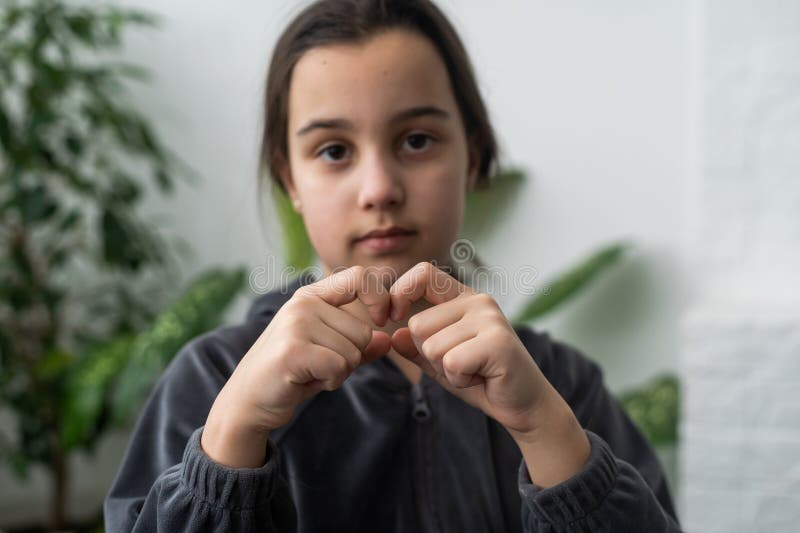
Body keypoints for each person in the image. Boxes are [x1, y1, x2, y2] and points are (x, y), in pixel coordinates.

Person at [104, 0, 682, 531]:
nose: (379, 189)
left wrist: (546, 433)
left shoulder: (563, 386)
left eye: (417, 140)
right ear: (290, 181)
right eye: (334, 151)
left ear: (472, 157)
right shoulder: (211, 380)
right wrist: (230, 443)